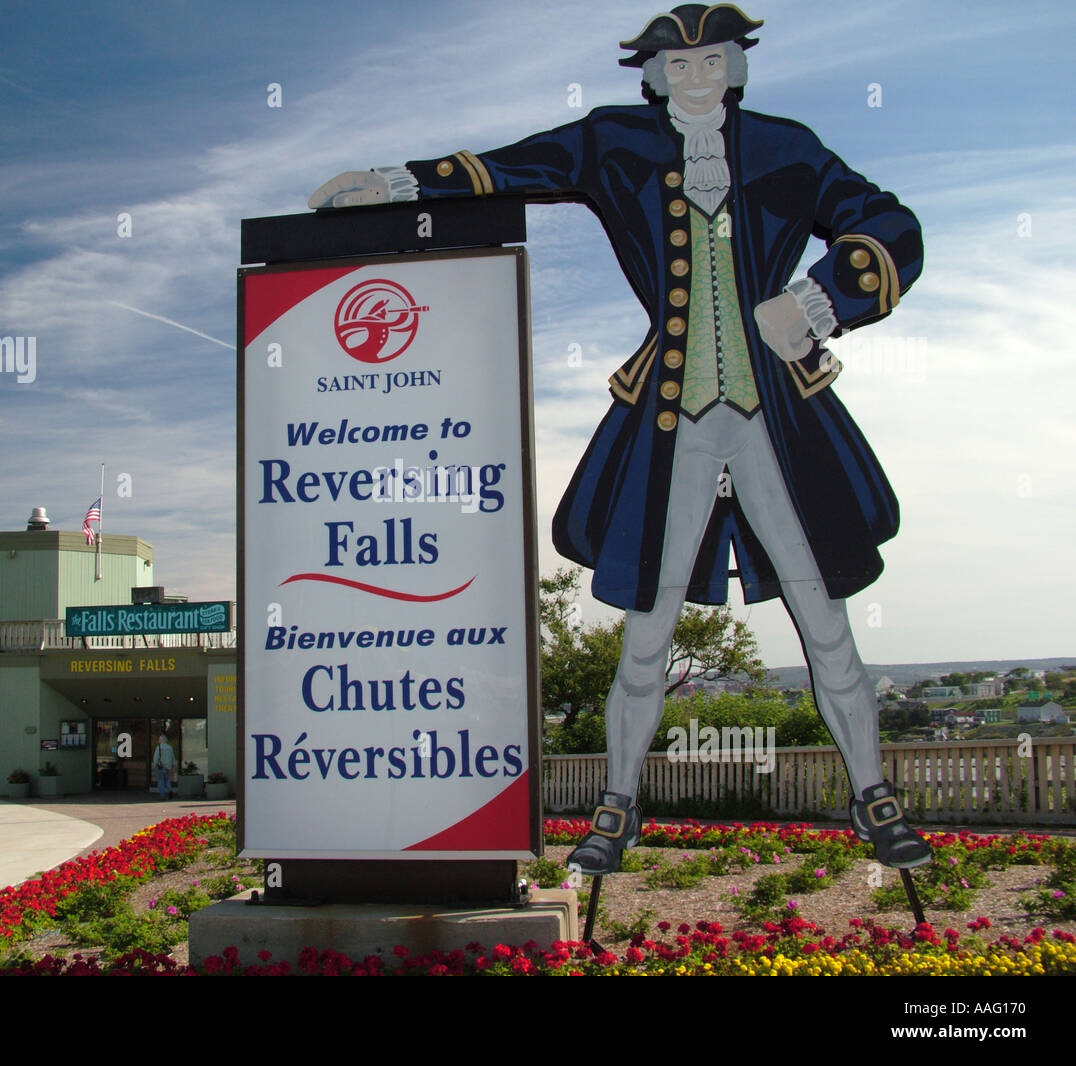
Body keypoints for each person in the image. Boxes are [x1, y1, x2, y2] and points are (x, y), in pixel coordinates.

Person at [310, 3, 932, 874]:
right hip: (669, 420)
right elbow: (513, 165)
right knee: (648, 627)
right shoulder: (615, 142)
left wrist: (821, 300)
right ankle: (618, 803)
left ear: (735, 66)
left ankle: (875, 799)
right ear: (652, 75)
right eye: (678, 66)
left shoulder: (791, 147)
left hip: (780, 423)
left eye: (712, 60)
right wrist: (398, 182)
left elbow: (891, 224)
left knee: (824, 618)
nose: (696, 77)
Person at [153, 733, 175, 801]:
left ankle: (162, 796)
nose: (158, 740)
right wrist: (172, 765)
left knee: (160, 781)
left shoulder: (158, 747)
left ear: (161, 740)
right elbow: (173, 757)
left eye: (159, 739)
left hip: (160, 766)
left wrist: (154, 764)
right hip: (168, 766)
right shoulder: (170, 747)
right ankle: (170, 790)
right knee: (167, 780)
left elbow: (156, 758)